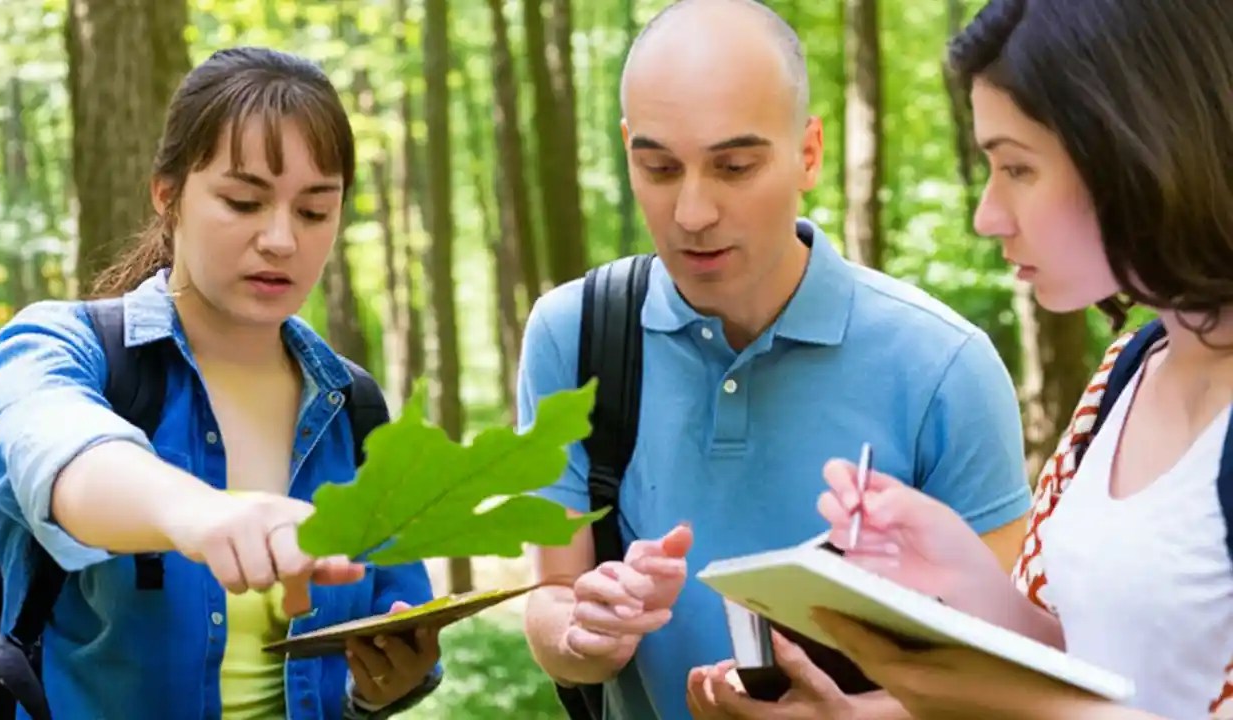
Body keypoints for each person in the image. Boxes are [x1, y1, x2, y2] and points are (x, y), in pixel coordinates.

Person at [514, 1, 1034, 718]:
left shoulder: (946, 367)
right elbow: (549, 598)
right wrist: (583, 633)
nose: (692, 212)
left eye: (734, 166)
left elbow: (1003, 675)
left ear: (809, 153)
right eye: (660, 167)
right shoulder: (573, 336)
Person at [789, 1, 1233, 718]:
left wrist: (1025, 706)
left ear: (1136, 151)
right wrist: (970, 580)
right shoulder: (1127, 373)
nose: (987, 215)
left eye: (1018, 168)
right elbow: (1109, 668)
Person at [0, 47, 441, 719]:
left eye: (314, 212)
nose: (280, 239)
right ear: (167, 195)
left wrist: (381, 688)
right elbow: (52, 447)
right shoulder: (63, 346)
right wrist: (198, 513)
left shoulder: (355, 408)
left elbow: (392, 614)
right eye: (243, 201)